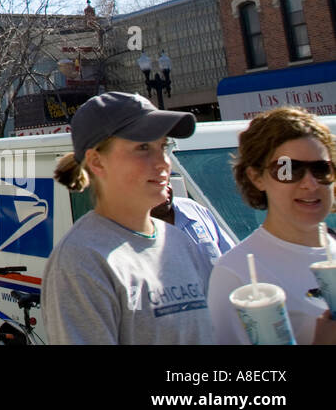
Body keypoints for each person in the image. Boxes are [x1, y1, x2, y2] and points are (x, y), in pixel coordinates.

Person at [42, 92, 213, 344]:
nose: (163, 163)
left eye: (163, 146)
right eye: (143, 147)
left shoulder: (179, 241)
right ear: (97, 161)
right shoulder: (81, 260)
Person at [206, 107, 336, 345]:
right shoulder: (235, 274)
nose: (309, 183)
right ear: (256, 177)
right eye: (288, 170)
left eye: (321, 169)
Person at [151, 183, 237, 269]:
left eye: (167, 181)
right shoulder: (138, 237)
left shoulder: (192, 208)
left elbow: (233, 259)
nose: (166, 189)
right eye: (155, 183)